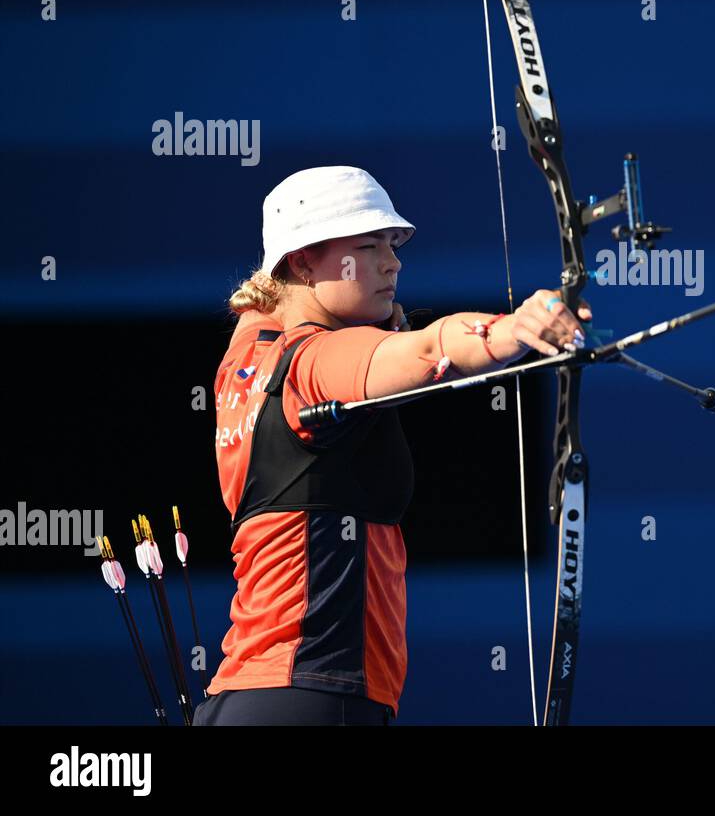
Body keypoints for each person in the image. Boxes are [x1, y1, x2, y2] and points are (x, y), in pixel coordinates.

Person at [193, 165, 589, 725]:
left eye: (393, 244)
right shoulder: (312, 361)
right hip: (314, 695)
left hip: (249, 699)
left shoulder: (248, 358)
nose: (392, 261)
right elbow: (428, 353)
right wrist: (512, 332)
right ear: (302, 259)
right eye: (368, 245)